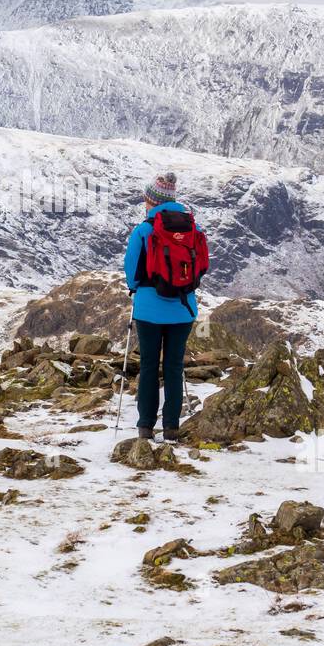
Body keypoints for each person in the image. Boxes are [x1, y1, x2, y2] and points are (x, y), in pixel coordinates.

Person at [123, 171, 199, 442]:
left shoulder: (144, 230)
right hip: (183, 309)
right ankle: (171, 428)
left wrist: (138, 287)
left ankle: (145, 427)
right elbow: (200, 267)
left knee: (148, 366)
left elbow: (131, 271)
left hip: (148, 310)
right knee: (174, 367)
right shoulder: (193, 229)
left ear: (151, 200)